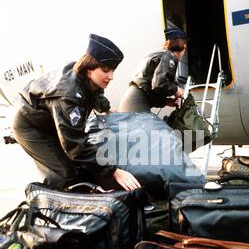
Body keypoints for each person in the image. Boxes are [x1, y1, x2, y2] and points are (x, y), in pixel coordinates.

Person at [12, 33, 141, 192]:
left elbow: (95, 93)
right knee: (64, 174)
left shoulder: (86, 77)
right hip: (30, 125)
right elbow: (75, 145)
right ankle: (52, 207)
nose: (111, 76)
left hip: (50, 120)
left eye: (113, 70)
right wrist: (114, 171)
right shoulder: (69, 97)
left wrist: (106, 108)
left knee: (79, 167)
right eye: (106, 70)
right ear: (89, 67)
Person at [119, 28, 187, 112]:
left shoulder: (161, 55)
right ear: (183, 46)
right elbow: (159, 84)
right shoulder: (168, 56)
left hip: (132, 100)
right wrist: (176, 89)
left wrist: (166, 101)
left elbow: (151, 87)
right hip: (136, 102)